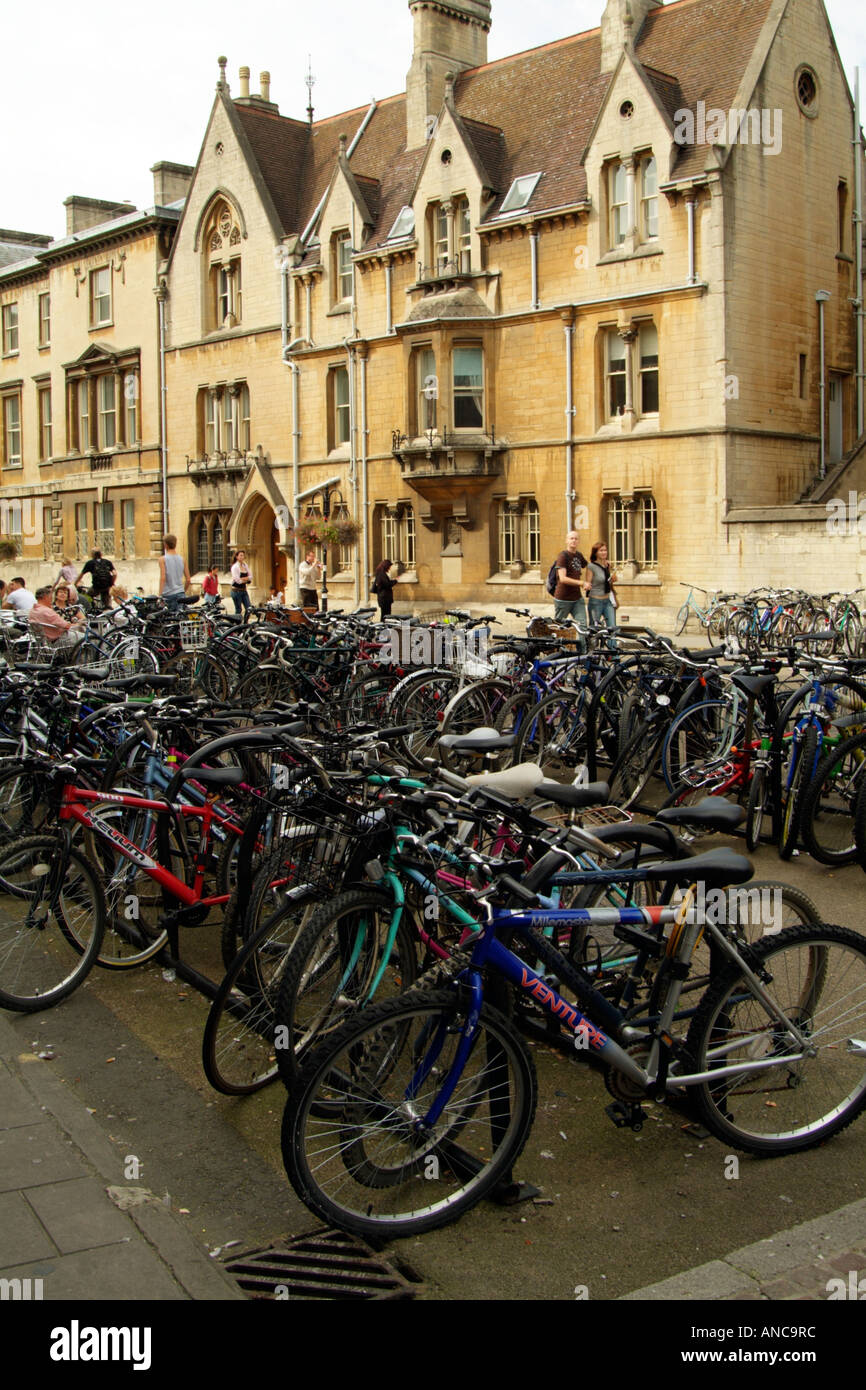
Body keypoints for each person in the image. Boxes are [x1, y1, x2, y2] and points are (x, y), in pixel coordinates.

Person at [552, 531, 588, 629]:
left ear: (579, 541)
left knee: (582, 625)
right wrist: (581, 583)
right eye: (571, 538)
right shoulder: (563, 556)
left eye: (576, 538)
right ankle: (556, 644)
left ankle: (582, 645)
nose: (574, 540)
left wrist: (602, 561)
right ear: (566, 541)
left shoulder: (579, 555)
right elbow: (563, 579)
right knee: (559, 627)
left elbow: (589, 565)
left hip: (577, 598)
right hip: (563, 598)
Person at [585, 540, 618, 647]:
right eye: (601, 550)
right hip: (595, 601)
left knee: (612, 628)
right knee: (594, 630)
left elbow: (609, 582)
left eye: (605, 550)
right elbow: (588, 583)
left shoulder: (607, 565)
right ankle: (592, 655)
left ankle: (613, 656)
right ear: (596, 553)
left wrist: (613, 579)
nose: (604, 552)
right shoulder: (591, 566)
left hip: (607, 600)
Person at [159, 534, 191, 612]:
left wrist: (159, 595)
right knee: (180, 619)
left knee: (168, 620)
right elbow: (188, 580)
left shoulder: (162, 559)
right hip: (181, 594)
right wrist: (182, 591)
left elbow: (163, 578)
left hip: (168, 595)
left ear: (165, 545)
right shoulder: (182, 559)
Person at [229, 550, 253, 616]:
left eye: (243, 555)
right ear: (237, 557)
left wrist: (243, 579)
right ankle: (237, 624)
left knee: (249, 608)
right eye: (241, 555)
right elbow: (237, 581)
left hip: (243, 590)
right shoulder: (235, 567)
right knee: (238, 609)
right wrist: (246, 579)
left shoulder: (245, 565)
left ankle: (245, 623)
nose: (242, 557)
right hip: (236, 591)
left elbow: (251, 576)